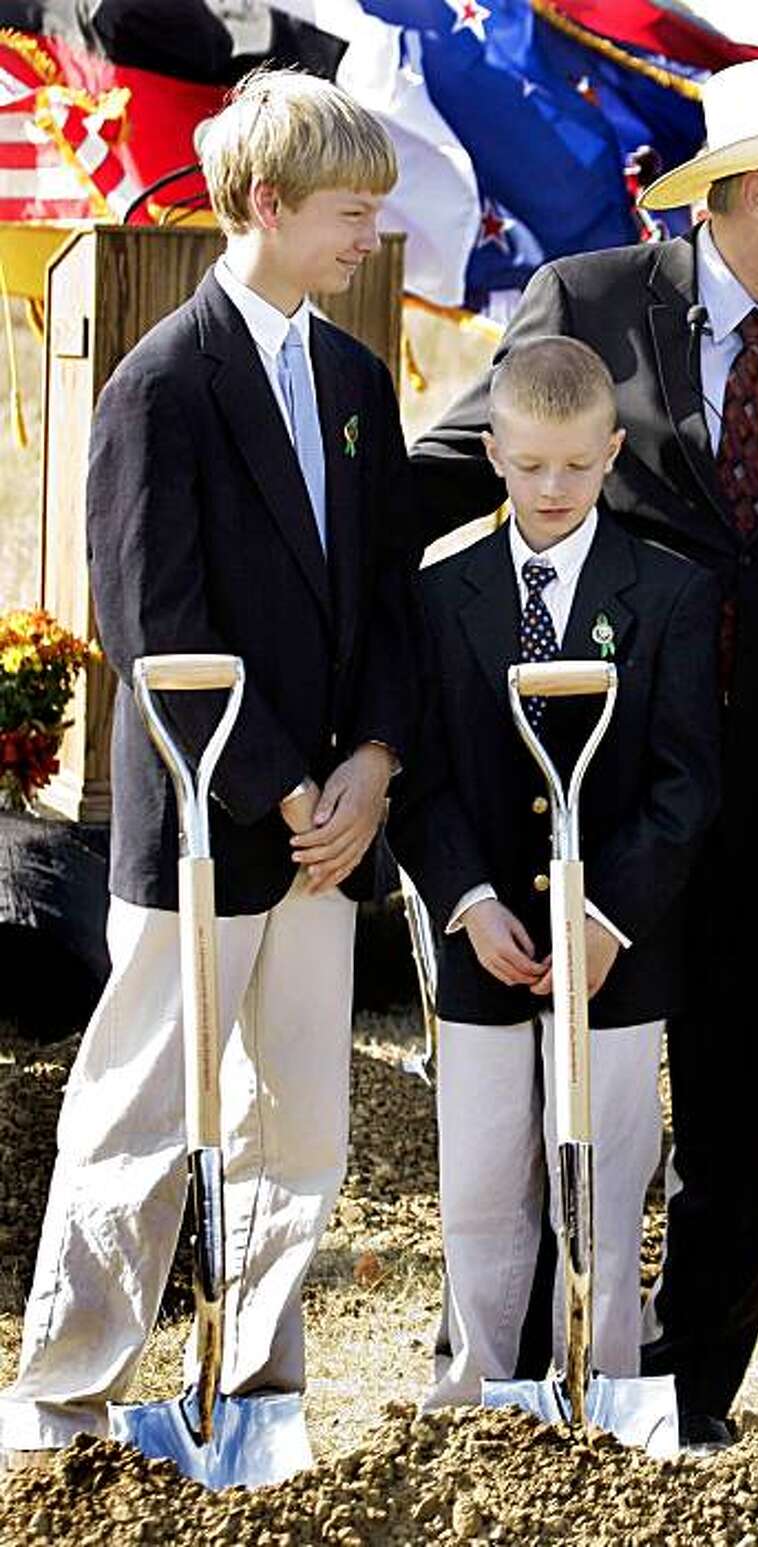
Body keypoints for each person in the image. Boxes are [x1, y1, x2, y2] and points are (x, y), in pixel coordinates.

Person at [410, 54, 758, 1448]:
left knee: (749, 1120)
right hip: (592, 793)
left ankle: (682, 1388)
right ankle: (527, 1373)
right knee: (560, 1102)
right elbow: (461, 459)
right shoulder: (591, 304)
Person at [0, 68, 421, 1465]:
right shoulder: (162, 383)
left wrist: (368, 763)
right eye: (351, 212)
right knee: (136, 1117)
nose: (371, 235)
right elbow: (148, 617)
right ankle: (61, 1394)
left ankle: (255, 1393)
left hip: (326, 837)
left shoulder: (357, 381)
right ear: (265, 204)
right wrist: (281, 789)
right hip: (201, 822)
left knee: (295, 1126)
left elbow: (385, 604)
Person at [392, 336, 720, 1406]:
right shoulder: (444, 587)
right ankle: (477, 1392)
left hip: (615, 957)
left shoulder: (666, 590)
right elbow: (422, 773)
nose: (550, 488)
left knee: (608, 1189)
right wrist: (471, 901)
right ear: (492, 450)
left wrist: (609, 916)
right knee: (485, 1188)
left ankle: (604, 1393)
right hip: (484, 948)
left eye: (576, 466)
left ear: (612, 452)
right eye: (529, 463)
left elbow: (687, 783)